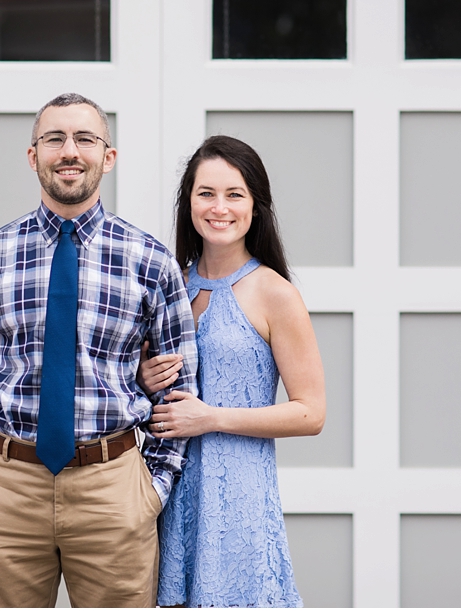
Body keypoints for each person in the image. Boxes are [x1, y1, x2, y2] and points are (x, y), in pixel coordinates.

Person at [0, 93, 198, 608]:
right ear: (33, 156)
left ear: (108, 156)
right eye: (54, 138)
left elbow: (180, 388)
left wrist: (152, 488)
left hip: (113, 492)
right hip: (5, 492)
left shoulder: (150, 262)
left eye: (85, 138)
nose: (69, 151)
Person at [138, 135, 326, 607]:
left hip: (238, 503)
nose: (219, 207)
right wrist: (143, 382)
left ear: (255, 207)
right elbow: (136, 398)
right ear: (189, 203)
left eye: (234, 194)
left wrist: (213, 417)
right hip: (167, 495)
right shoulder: (169, 285)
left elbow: (311, 413)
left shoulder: (274, 293)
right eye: (206, 193)